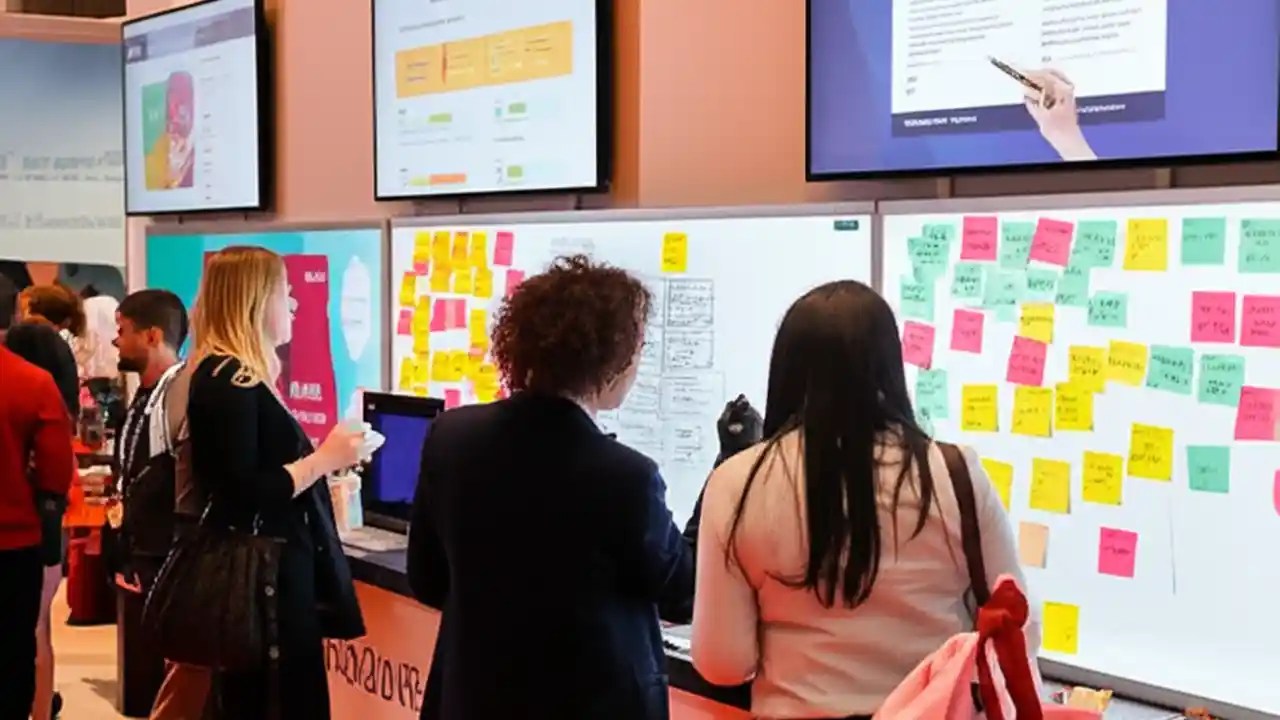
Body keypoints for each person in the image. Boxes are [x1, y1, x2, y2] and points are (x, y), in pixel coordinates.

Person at [691, 281, 1037, 719]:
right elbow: (1018, 625)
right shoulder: (954, 472)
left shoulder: (738, 482)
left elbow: (723, 664)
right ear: (890, 366)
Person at [407, 254, 694, 720]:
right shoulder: (625, 476)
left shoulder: (452, 438)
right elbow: (682, 591)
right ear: (614, 360)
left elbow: (427, 579)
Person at [184, 246, 365, 719]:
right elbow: (240, 492)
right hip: (264, 584)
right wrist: (325, 459)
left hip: (277, 576)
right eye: (284, 292)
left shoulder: (238, 377)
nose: (293, 303)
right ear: (254, 299)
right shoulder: (229, 381)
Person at [107, 289, 211, 719]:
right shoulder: (143, 395)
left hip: (169, 558)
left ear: (151, 336)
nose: (115, 341)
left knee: (181, 671)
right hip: (142, 553)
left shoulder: (183, 394)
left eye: (122, 331)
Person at [4, 322, 79, 720]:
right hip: (25, 535)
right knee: (29, 638)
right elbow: (55, 475)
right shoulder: (36, 386)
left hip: (22, 533)